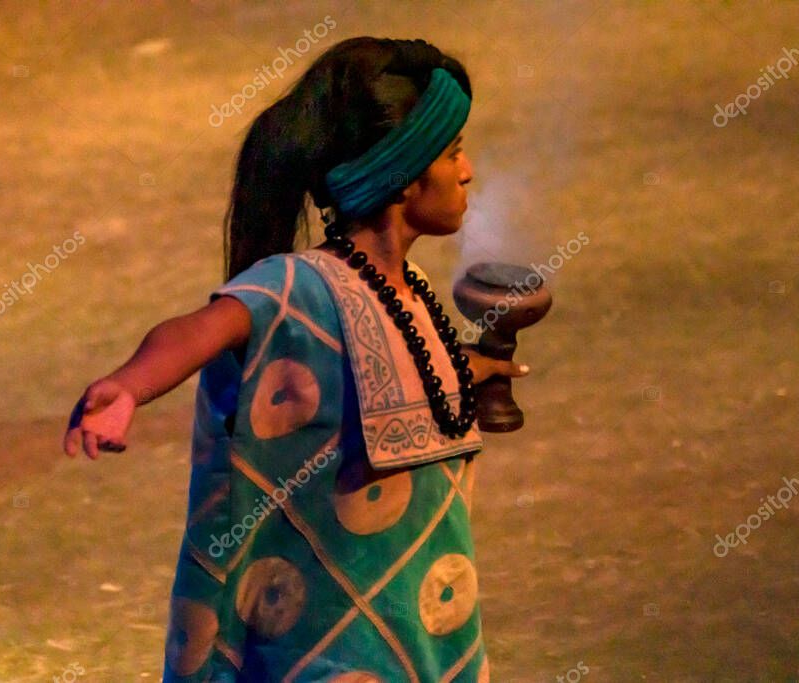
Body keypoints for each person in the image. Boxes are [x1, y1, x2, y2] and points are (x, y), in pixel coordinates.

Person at [62, 37, 530, 682]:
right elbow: (199, 329)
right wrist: (127, 387)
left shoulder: (412, 293)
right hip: (326, 651)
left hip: (425, 634)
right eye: (452, 152)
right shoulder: (294, 288)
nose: (468, 170)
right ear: (404, 176)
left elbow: (387, 382)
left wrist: (468, 370)